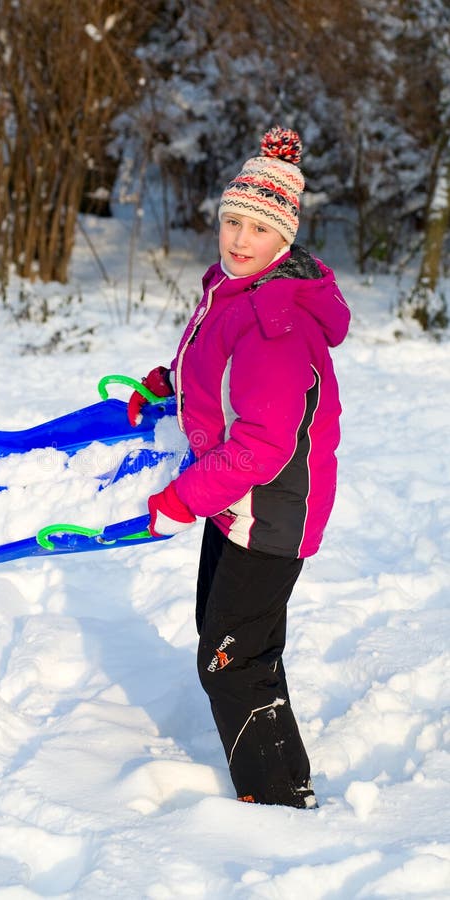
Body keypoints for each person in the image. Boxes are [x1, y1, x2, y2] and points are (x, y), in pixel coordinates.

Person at [128, 125, 351, 809]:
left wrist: (179, 499)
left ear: (284, 237)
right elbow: (212, 367)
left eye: (257, 228)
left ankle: (278, 804)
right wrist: (167, 382)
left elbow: (261, 445)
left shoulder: (272, 323)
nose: (237, 239)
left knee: (225, 663)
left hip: (267, 512)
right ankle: (285, 774)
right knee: (233, 646)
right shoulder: (229, 287)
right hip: (233, 503)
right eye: (231, 220)